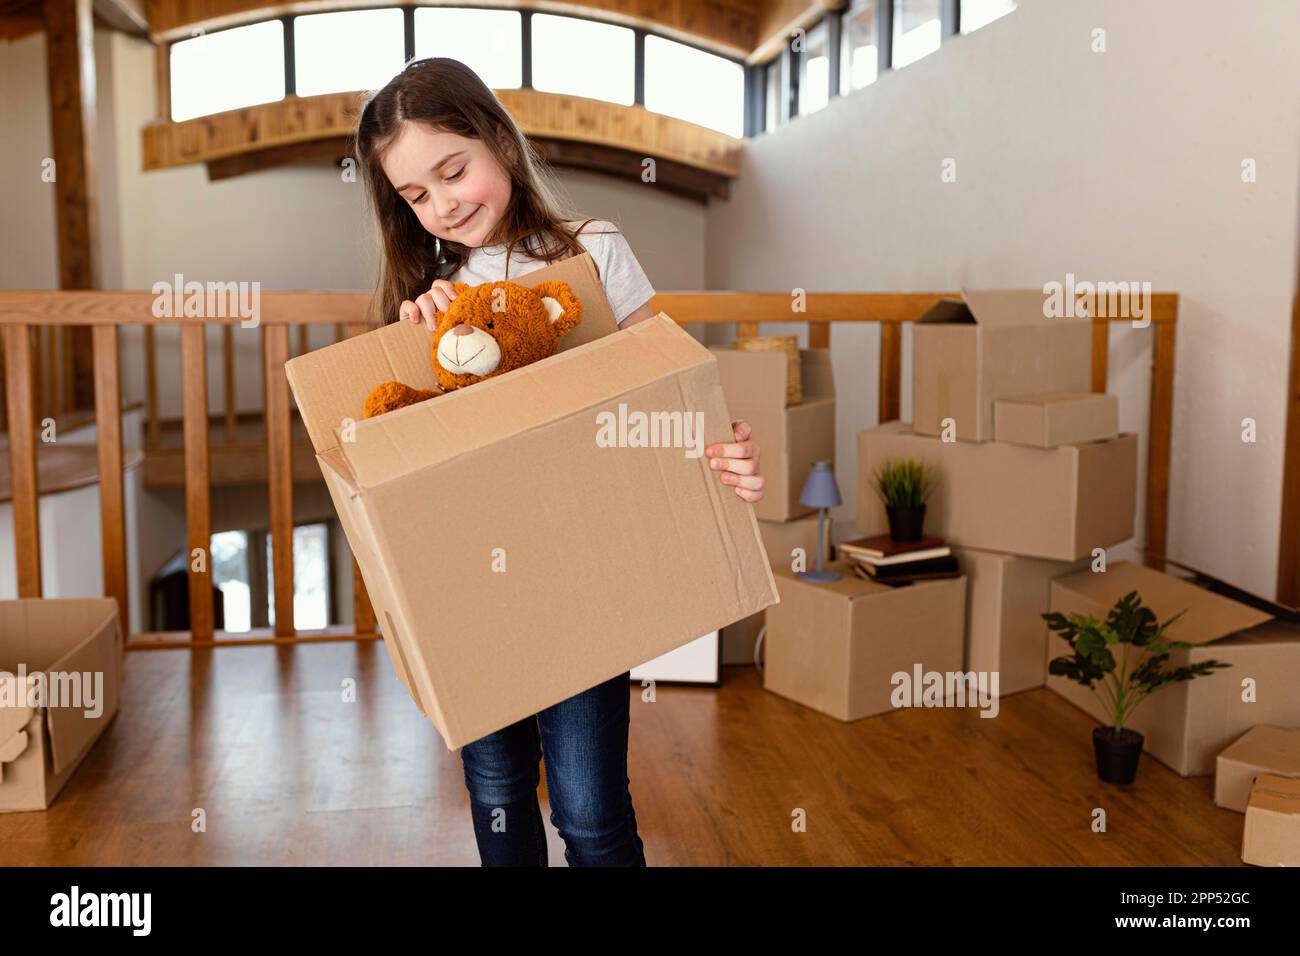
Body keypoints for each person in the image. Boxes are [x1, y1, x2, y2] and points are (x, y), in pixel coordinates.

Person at [354, 57, 765, 866]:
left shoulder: (593, 253)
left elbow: (669, 385)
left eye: (453, 171)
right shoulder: (430, 298)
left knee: (587, 810)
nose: (443, 205)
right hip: (473, 586)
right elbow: (404, 448)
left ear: (500, 143)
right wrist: (416, 334)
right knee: (498, 787)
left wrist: (723, 450)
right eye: (416, 195)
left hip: (582, 575)